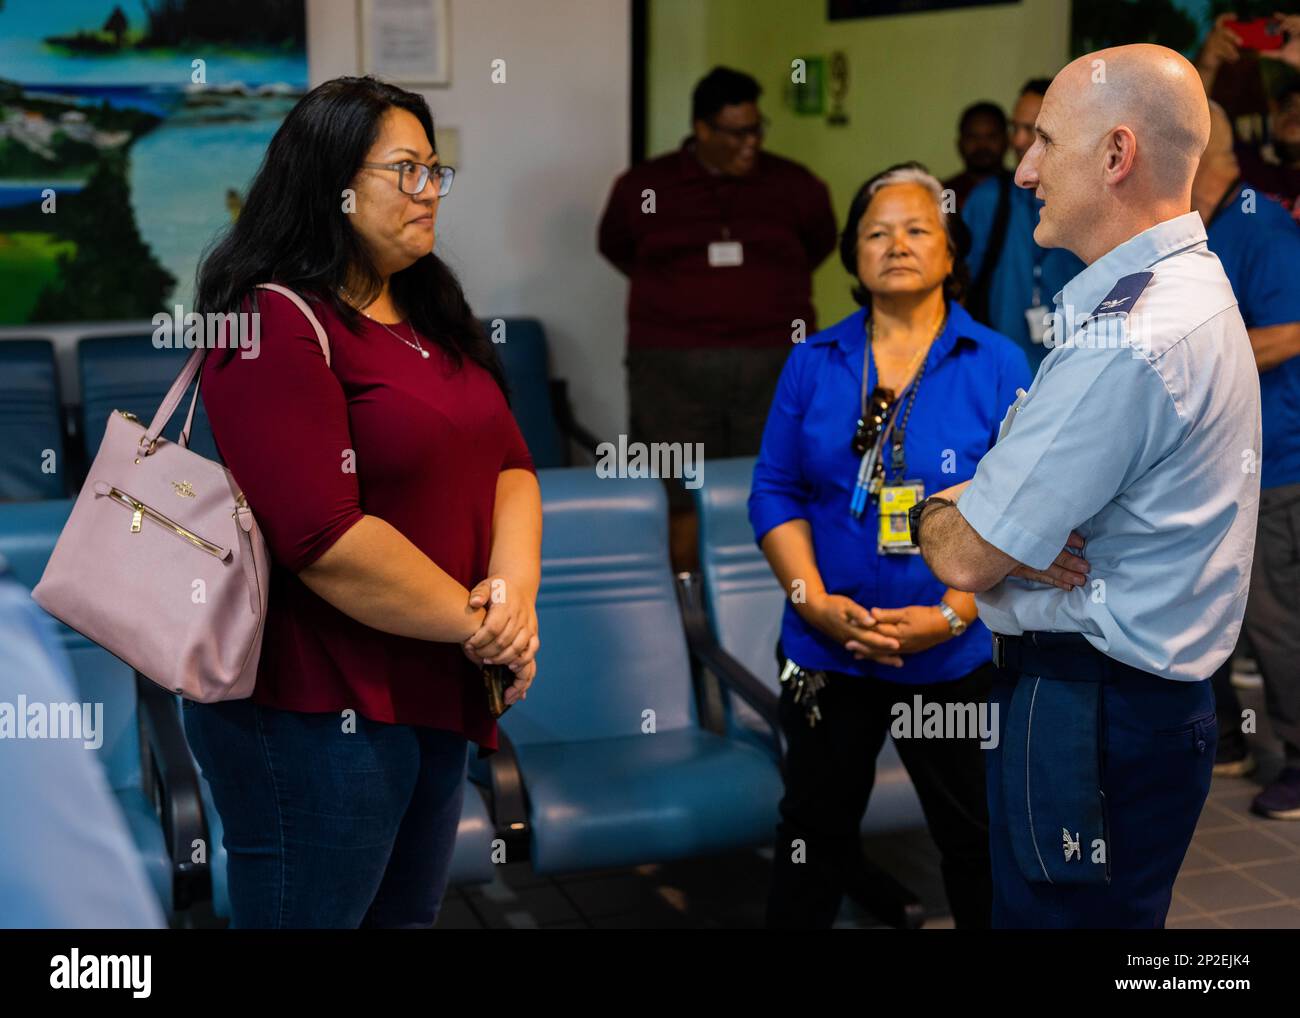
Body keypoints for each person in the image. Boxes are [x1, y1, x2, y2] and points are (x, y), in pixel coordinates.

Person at [912, 45, 1260, 928]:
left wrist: (940, 510)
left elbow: (964, 554)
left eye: (1045, 142)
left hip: (1086, 712)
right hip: (1143, 707)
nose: (1025, 170)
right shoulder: (1193, 289)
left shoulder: (1128, 340)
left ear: (1115, 156)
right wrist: (1007, 533)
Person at [188, 77, 542, 928]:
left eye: (435, 171)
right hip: (316, 707)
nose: (430, 192)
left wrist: (513, 600)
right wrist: (481, 626)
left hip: (437, 681)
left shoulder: (431, 304)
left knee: (402, 920)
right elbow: (325, 539)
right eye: (405, 170)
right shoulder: (269, 322)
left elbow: (514, 465)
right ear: (333, 185)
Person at [749, 162, 1032, 929]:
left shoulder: (999, 363)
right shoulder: (813, 361)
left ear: (951, 253)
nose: (896, 244)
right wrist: (813, 604)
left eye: (918, 229)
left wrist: (954, 612)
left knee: (974, 839)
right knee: (811, 834)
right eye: (876, 231)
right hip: (827, 652)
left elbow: (1027, 508)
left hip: (950, 653)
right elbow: (774, 491)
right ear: (852, 255)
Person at [598, 66, 838, 571]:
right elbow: (616, 246)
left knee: (773, 484)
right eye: (735, 133)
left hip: (775, 362)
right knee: (677, 491)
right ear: (702, 129)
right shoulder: (645, 186)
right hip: (670, 368)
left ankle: (770, 598)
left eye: (756, 129)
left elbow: (821, 242)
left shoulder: (795, 185)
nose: (749, 144)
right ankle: (686, 616)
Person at [1192, 100, 1300, 815]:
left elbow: (1291, 331)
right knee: (1220, 610)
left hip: (1279, 459)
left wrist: (1192, 363)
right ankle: (1230, 737)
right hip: (1222, 462)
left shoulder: (1260, 225)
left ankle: (1297, 757)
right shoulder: (1212, 223)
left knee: (1272, 619)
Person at [962, 78, 1085, 373]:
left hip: (1074, 371)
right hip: (1001, 374)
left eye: (1032, 130)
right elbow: (958, 287)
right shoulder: (987, 201)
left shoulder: (1090, 205)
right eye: (1014, 127)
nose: (1017, 141)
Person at [943, 101, 1008, 211]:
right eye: (973, 137)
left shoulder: (1024, 190)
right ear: (960, 144)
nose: (982, 145)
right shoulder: (948, 192)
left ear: (1007, 141)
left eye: (991, 137)